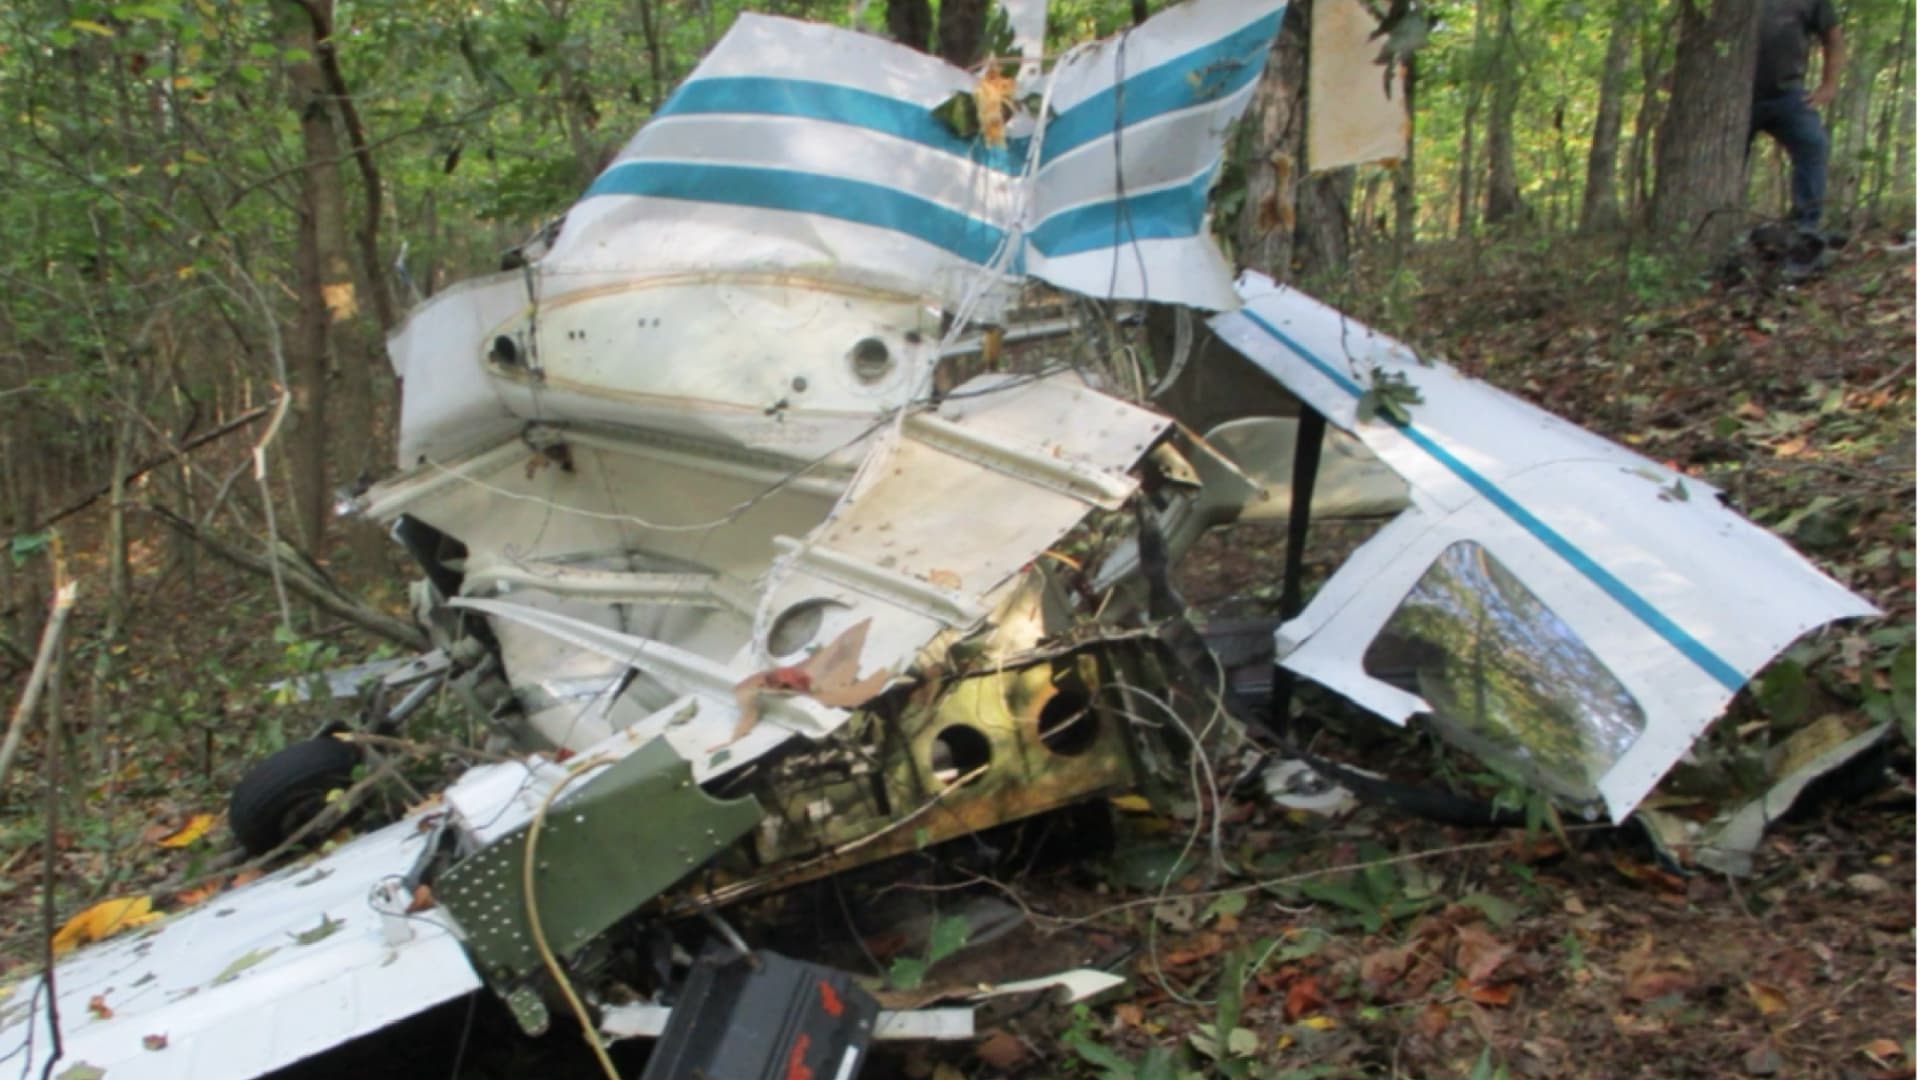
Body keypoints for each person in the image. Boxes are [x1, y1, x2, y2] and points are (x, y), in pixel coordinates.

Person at [1751, 0, 1844, 235]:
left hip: (1787, 93)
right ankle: (1714, 227)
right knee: (1721, 155)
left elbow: (1832, 37)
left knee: (1813, 143)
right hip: (1736, 97)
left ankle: (1805, 228)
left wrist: (1829, 86)